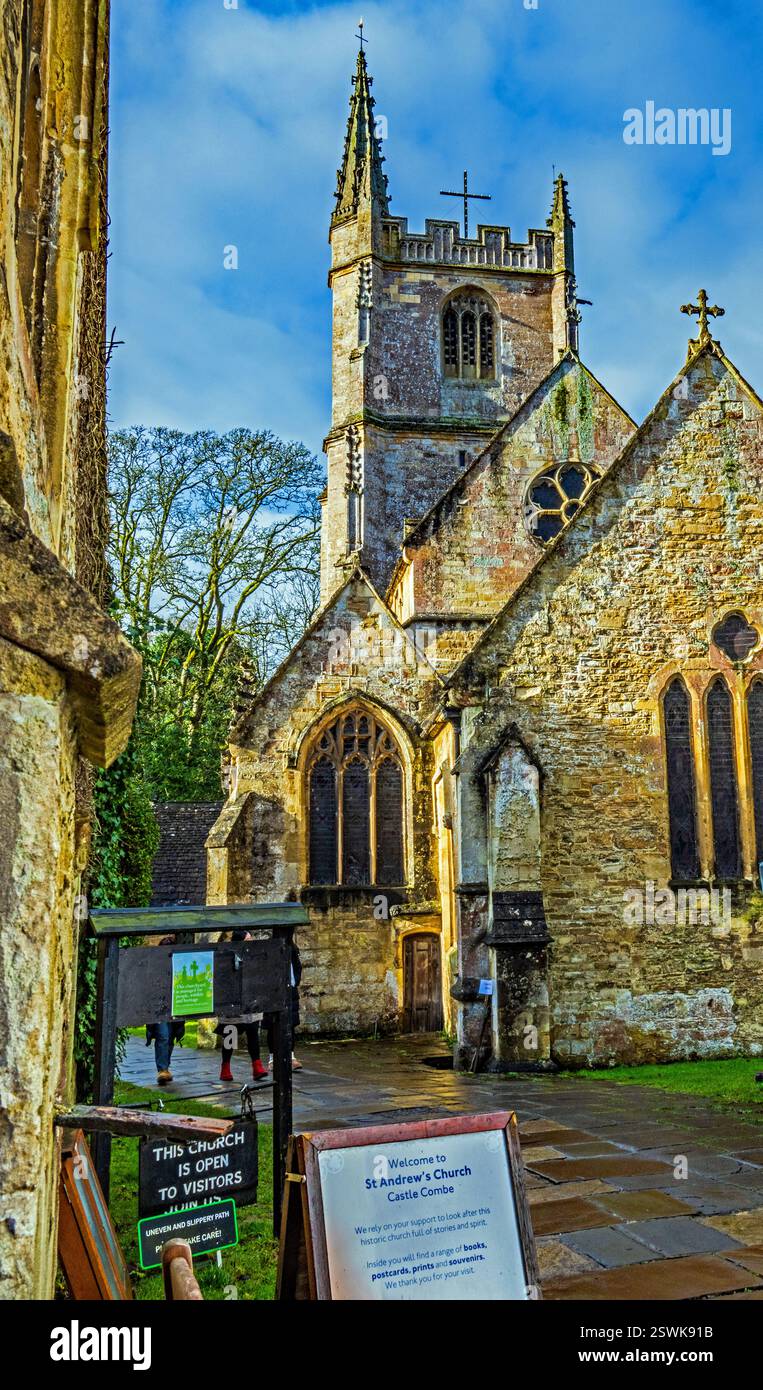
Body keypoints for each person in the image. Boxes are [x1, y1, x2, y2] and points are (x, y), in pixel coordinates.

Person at [215, 929, 268, 1082]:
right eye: (248, 940)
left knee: (253, 1034)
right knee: (230, 1037)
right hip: (233, 1006)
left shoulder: (253, 957)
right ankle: (225, 1068)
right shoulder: (228, 957)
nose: (250, 943)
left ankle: (257, 1066)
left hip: (250, 1004)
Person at [145, 933, 184, 1084]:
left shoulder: (180, 967)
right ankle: (162, 1069)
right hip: (159, 1007)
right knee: (163, 1035)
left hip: (176, 1006)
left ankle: (165, 1067)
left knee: (172, 1035)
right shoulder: (154, 968)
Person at [267, 937, 303, 1073]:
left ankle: (291, 1057)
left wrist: (295, 982)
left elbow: (298, 966)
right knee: (272, 1025)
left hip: (291, 991)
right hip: (273, 992)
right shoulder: (271, 947)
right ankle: (272, 1059)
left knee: (291, 1024)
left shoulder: (293, 947)